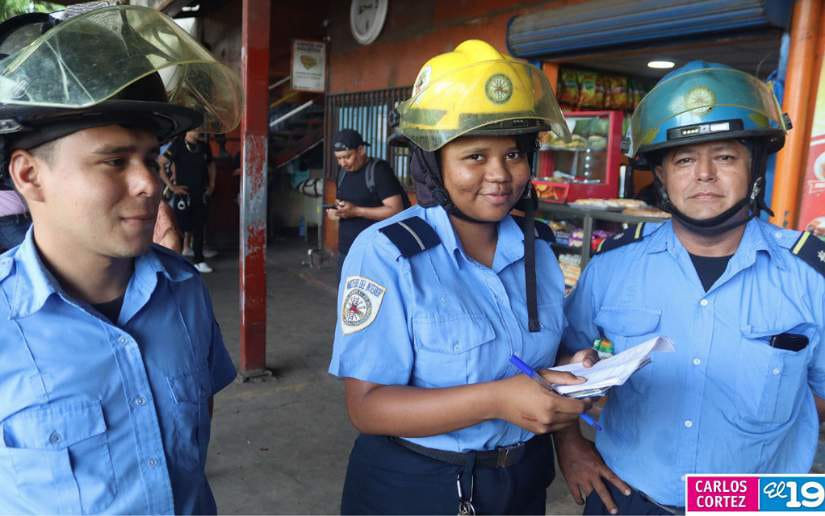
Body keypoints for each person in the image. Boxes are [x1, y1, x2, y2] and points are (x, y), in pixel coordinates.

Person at [329, 40, 598, 515]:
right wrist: (496, 399)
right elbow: (366, 406)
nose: (500, 175)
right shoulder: (388, 253)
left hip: (524, 479)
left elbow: (538, 352)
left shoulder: (537, 246)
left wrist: (571, 372)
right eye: (475, 156)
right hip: (418, 485)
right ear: (433, 162)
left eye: (514, 154)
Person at [0, 4, 242, 513]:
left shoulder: (184, 291)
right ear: (28, 176)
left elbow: (196, 430)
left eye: (152, 160)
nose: (149, 183)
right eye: (114, 161)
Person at [558, 61, 825, 515]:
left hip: (757, 506)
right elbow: (560, 366)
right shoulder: (612, 267)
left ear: (755, 165)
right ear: (660, 175)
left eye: (724, 156)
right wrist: (571, 449)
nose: (704, 174)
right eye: (683, 159)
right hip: (627, 499)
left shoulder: (811, 276)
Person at [326, 128, 406, 278]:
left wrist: (356, 211)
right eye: (338, 158)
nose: (343, 162)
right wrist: (338, 212)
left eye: (347, 156)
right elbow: (342, 201)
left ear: (361, 150)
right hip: (347, 250)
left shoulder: (379, 171)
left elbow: (396, 210)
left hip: (375, 252)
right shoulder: (342, 173)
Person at [163, 130, 216, 273]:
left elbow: (211, 165)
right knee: (181, 227)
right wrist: (172, 187)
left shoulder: (204, 146)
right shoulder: (178, 145)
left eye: (199, 127)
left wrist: (212, 184)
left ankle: (199, 261)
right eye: (195, 128)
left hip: (201, 192)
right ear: (187, 131)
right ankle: (175, 262)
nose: (198, 131)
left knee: (199, 227)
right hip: (183, 193)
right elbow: (160, 163)